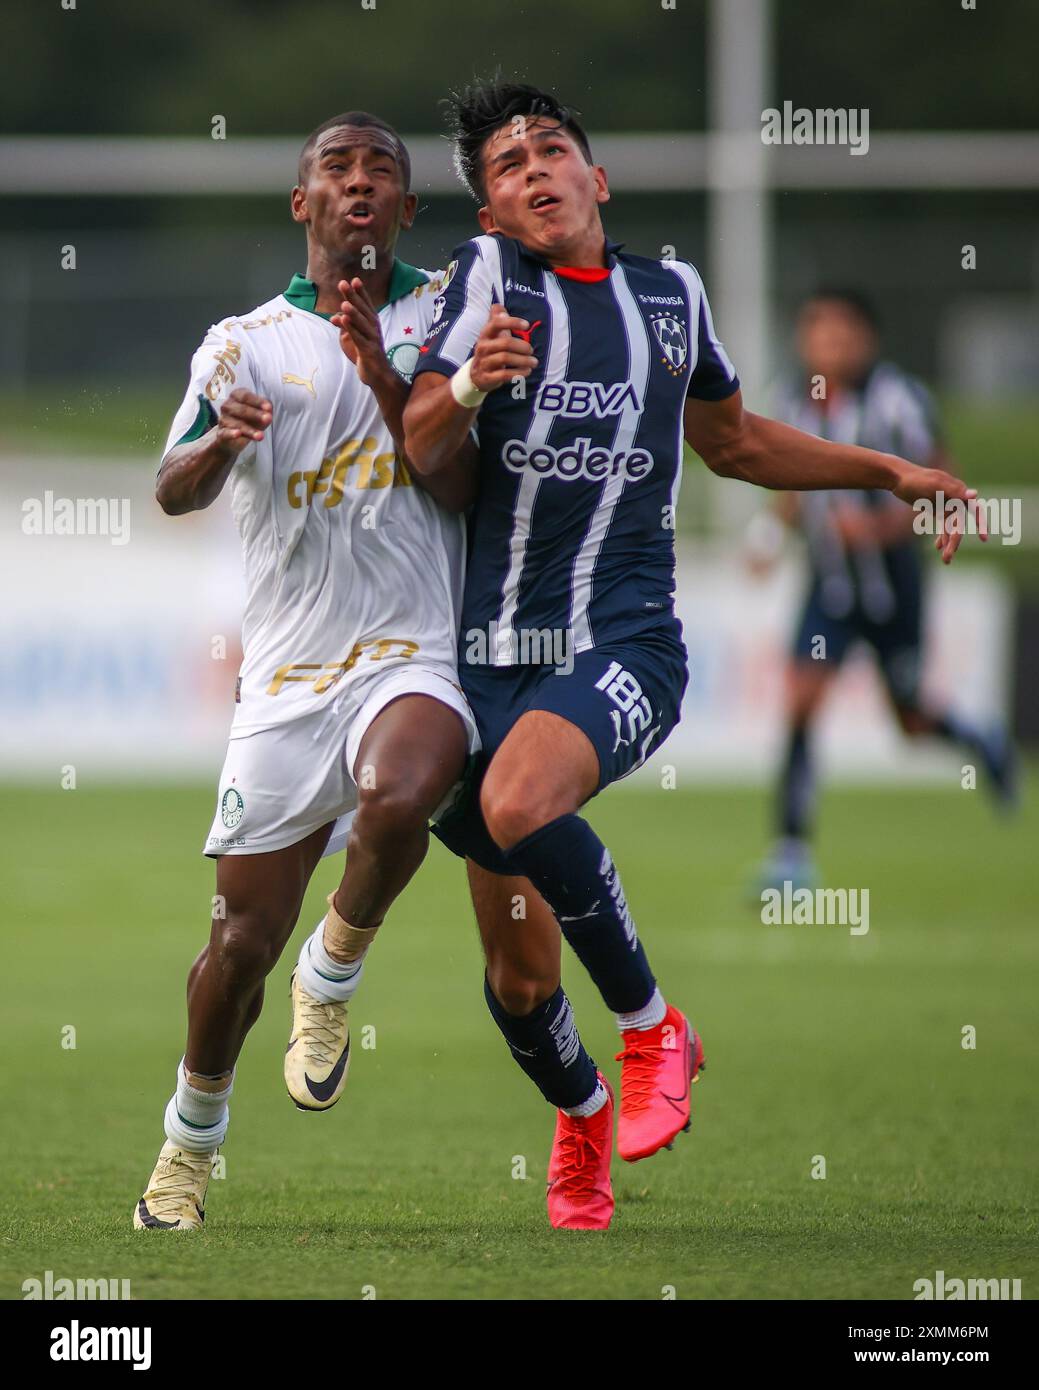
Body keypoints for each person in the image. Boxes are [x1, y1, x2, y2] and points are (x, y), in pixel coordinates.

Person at [403, 82, 984, 1231]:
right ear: (491, 214)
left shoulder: (671, 296)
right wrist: (471, 382)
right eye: (507, 167)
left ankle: (652, 1024)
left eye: (553, 149)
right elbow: (417, 440)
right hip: (487, 661)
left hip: (626, 640)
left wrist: (889, 469)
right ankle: (579, 1124)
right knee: (520, 980)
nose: (534, 169)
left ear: (596, 177)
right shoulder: (480, 289)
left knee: (520, 798)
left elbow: (735, 443)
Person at [134, 111, 481, 1230]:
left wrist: (396, 375)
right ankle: (190, 1144)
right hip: (286, 677)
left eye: (382, 168)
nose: (360, 182)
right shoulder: (240, 343)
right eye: (336, 167)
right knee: (237, 945)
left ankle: (333, 974)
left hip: (411, 645)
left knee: (404, 789)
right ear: (304, 204)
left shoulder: (449, 316)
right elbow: (172, 487)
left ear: (408, 209)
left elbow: (468, 480)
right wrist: (221, 444)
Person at [750, 289, 1016, 891]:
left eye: (840, 334)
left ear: (866, 339)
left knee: (910, 717)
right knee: (799, 703)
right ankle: (791, 851)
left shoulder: (900, 400)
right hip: (829, 587)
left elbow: (942, 490)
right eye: (817, 332)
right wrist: (771, 534)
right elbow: (790, 484)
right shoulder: (792, 398)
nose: (827, 346)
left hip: (893, 586)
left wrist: (872, 527)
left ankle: (979, 739)